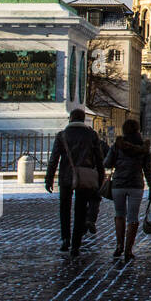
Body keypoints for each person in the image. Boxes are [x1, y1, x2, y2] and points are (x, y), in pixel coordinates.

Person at [45, 109, 106, 257]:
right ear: (84, 119)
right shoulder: (91, 135)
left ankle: (65, 239)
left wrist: (49, 178)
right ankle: (76, 245)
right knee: (80, 210)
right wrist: (101, 177)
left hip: (66, 176)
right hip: (84, 176)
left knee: (64, 208)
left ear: (70, 119)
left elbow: (54, 159)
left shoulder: (62, 135)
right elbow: (99, 158)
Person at [104, 120, 151, 263]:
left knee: (119, 215)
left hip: (119, 185)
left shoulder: (118, 146)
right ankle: (128, 250)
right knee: (133, 218)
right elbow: (148, 170)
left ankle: (119, 245)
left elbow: (107, 163)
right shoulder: (143, 148)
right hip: (135, 185)